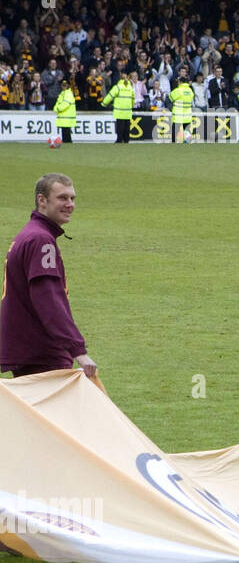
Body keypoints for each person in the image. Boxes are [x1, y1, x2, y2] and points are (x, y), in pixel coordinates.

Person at [1, 174, 97, 379]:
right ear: (42, 200)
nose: (70, 204)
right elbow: (48, 299)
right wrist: (78, 350)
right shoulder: (41, 240)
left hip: (29, 349)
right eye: (62, 198)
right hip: (43, 352)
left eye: (72, 198)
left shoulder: (30, 234)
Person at [103, 71, 134, 144]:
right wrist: (131, 106)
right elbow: (133, 98)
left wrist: (103, 104)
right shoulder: (130, 87)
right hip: (128, 110)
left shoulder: (117, 87)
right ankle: (126, 140)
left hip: (119, 110)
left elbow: (110, 96)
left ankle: (119, 140)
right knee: (127, 126)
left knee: (120, 126)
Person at [53, 79, 76, 144]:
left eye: (65, 85)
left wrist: (58, 109)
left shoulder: (68, 93)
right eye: (63, 85)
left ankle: (68, 142)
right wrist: (56, 108)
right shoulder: (63, 93)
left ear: (68, 86)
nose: (64, 87)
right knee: (64, 131)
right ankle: (66, 142)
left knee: (66, 132)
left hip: (67, 116)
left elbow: (66, 103)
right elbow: (59, 102)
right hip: (64, 116)